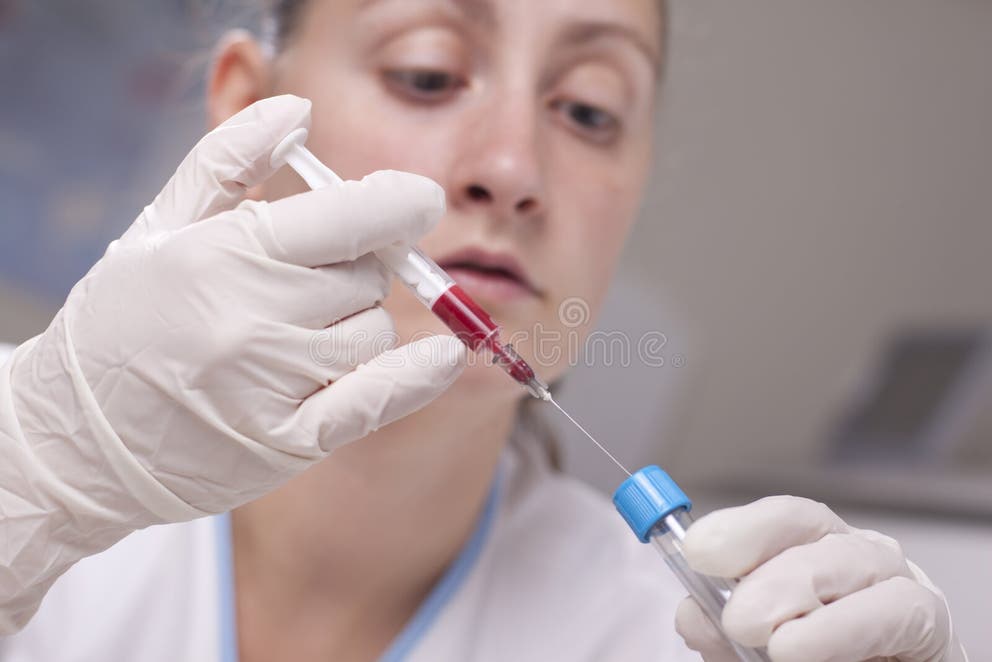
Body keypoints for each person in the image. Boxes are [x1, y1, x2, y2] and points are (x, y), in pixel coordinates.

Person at [0, 1, 967, 660]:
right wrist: (29, 485)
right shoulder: (47, 483)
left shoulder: (665, 635)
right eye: (428, 74)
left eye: (589, 109)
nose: (511, 166)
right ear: (250, 120)